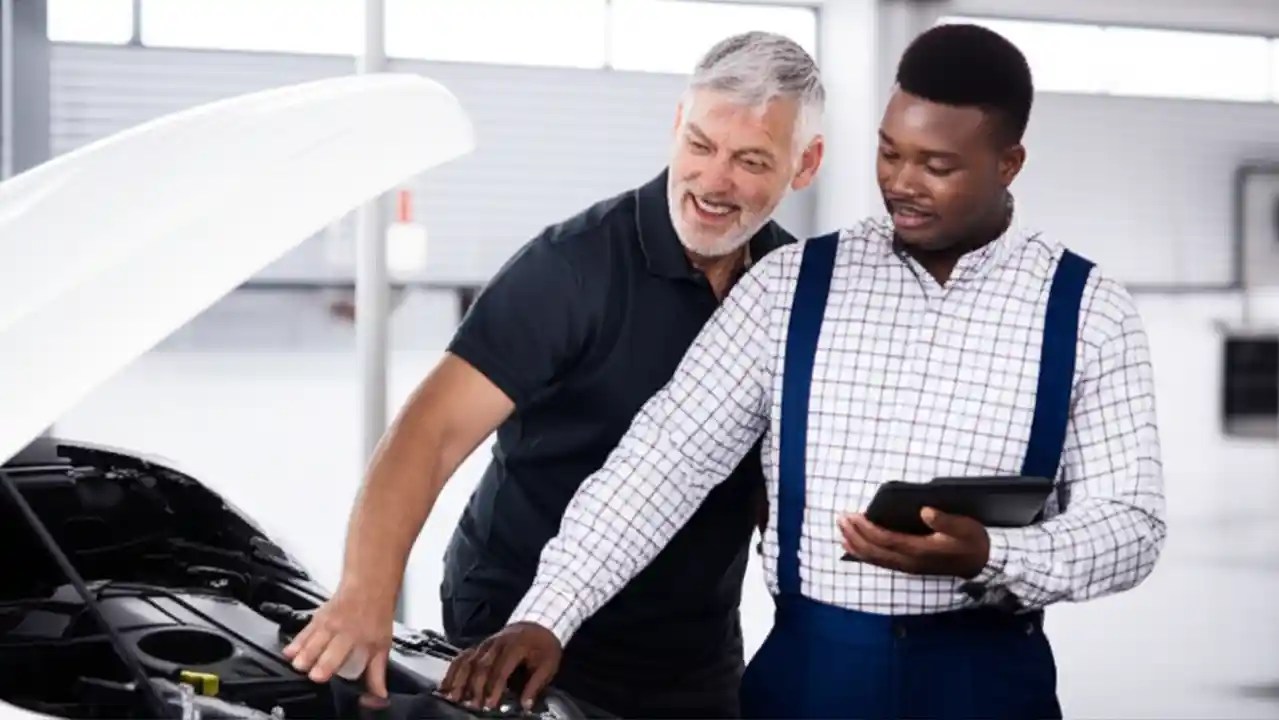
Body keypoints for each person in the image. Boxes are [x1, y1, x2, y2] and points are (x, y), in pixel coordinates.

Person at [437, 22, 1167, 720]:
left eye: (937, 166)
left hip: (988, 681)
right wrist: (547, 615)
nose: (903, 184)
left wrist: (994, 553)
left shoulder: (1088, 311)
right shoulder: (789, 285)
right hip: (808, 677)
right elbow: (661, 464)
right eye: (890, 153)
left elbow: (1131, 526)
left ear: (1008, 164)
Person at [281, 30, 826, 719]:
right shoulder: (572, 269)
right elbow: (432, 432)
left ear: (805, 163)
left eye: (750, 160)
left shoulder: (790, 289)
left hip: (688, 651)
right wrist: (365, 594)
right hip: (513, 621)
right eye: (700, 145)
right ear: (675, 125)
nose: (713, 183)